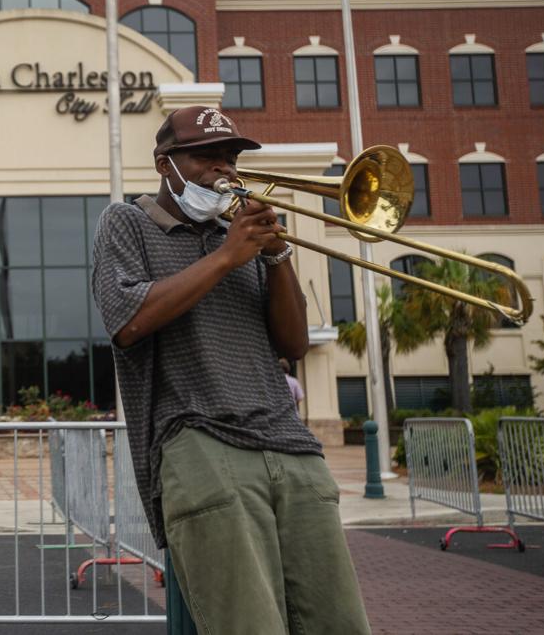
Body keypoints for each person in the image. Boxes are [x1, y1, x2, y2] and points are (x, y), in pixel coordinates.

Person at [91, 105, 369, 634]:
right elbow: (128, 321)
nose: (223, 170)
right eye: (205, 158)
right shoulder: (125, 223)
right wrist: (226, 255)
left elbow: (293, 344)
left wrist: (277, 254)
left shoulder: (240, 237)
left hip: (290, 444)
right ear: (164, 164)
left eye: (230, 158)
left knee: (340, 621)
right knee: (248, 623)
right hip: (200, 439)